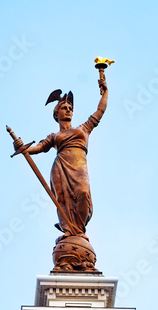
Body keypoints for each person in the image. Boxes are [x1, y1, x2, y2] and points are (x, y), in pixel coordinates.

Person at [13, 74, 108, 238]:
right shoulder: (54, 136)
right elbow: (38, 148)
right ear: (56, 114)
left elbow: (100, 111)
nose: (69, 110)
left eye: (70, 108)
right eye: (64, 108)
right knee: (62, 199)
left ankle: (79, 229)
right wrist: (22, 148)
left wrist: (105, 92)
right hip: (60, 167)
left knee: (83, 192)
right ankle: (68, 230)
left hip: (78, 166)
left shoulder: (84, 129)